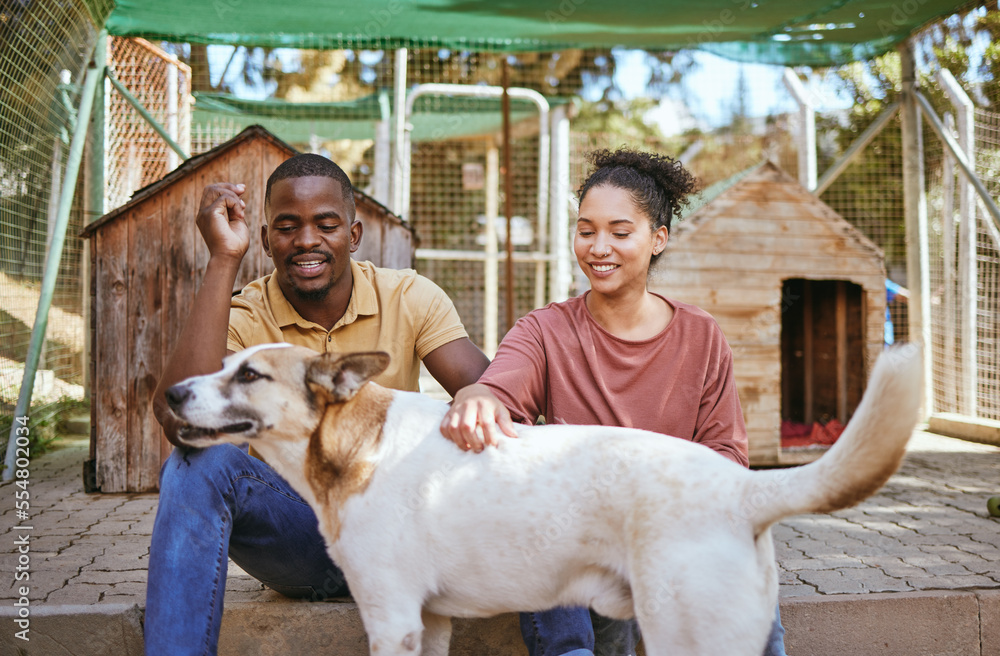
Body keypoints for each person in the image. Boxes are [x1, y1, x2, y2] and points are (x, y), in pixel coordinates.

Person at [440, 148, 787, 656]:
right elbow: (498, 391)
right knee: (534, 509)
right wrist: (476, 396)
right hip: (584, 543)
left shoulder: (701, 335)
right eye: (586, 230)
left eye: (620, 232)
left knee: (743, 543)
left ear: (657, 240)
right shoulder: (545, 329)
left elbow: (727, 458)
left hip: (672, 527)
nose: (599, 247)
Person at [144, 153, 490, 655]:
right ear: (265, 240)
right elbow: (177, 420)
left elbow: (494, 399)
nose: (307, 240)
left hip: (406, 542)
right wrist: (223, 258)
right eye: (287, 227)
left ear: (353, 234)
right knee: (197, 463)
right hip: (303, 545)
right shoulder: (245, 316)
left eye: (326, 225)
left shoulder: (409, 296)